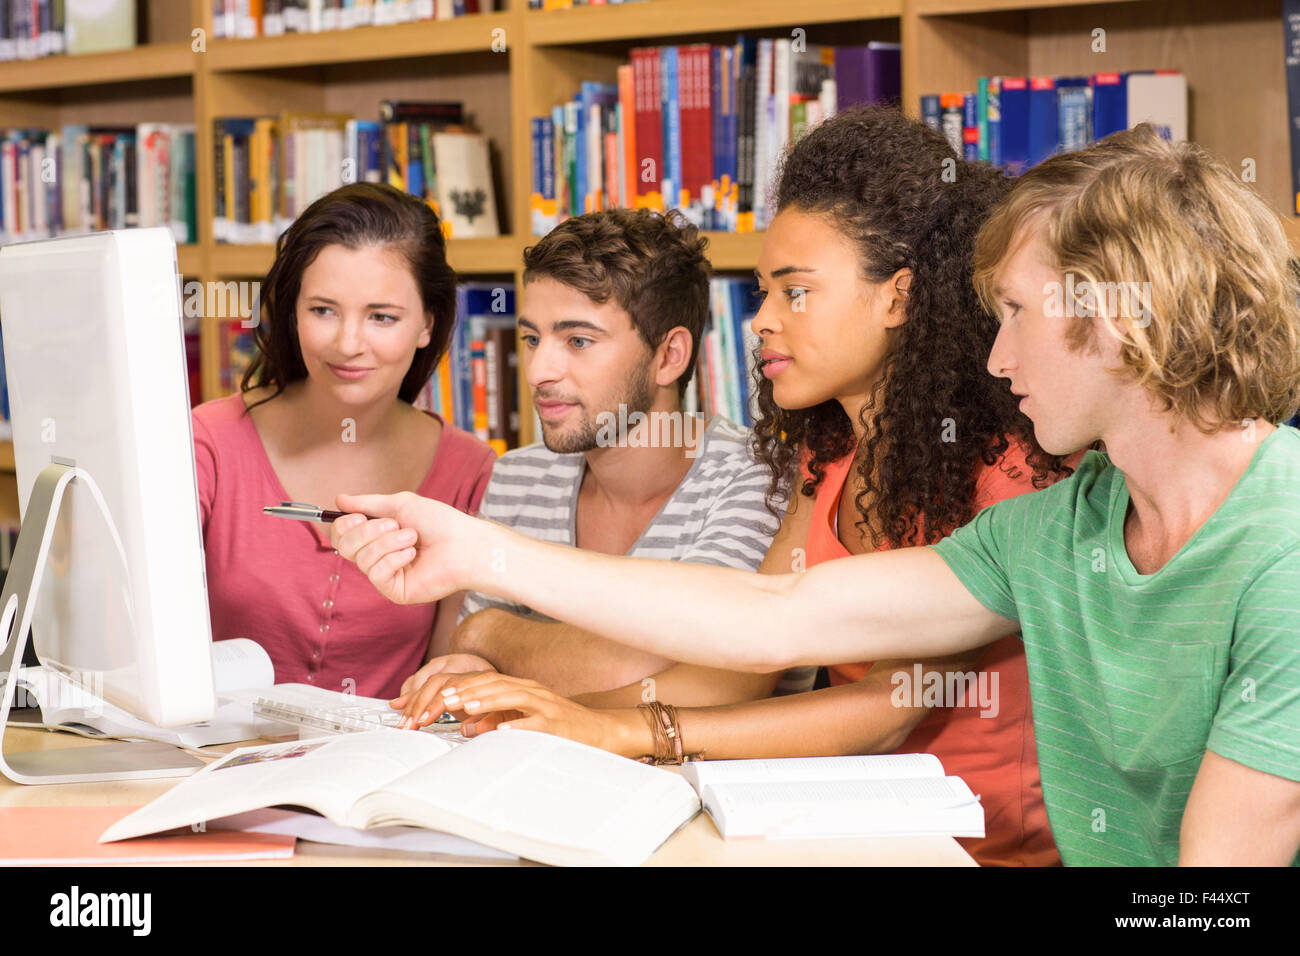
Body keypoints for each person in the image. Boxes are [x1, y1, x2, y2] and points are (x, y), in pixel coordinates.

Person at [332, 125, 1300, 866]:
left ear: (1115, 319)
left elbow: (1210, 897)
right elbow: (779, 614)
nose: (996, 355)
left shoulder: (1283, 543)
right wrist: (474, 553)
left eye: (1015, 314)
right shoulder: (1058, 526)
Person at [393, 106, 1078, 866]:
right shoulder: (832, 455)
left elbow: (884, 712)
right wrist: (559, 718)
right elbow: (749, 646)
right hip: (842, 828)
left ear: (899, 296)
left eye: (796, 293)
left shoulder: (1003, 474)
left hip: (977, 852)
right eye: (761, 294)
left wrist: (610, 725)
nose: (760, 322)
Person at [397, 207, 786, 707]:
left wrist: (488, 634)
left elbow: (704, 657)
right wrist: (476, 644)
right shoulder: (520, 475)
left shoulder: (755, 475)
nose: (538, 370)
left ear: (670, 356)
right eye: (532, 339)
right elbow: (468, 665)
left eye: (578, 341)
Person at [192, 182, 495, 699]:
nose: (348, 344)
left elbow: (445, 683)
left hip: (387, 768)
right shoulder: (209, 443)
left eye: (381, 316)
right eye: (323, 311)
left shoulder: (471, 471)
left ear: (427, 323)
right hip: (212, 761)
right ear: (292, 312)